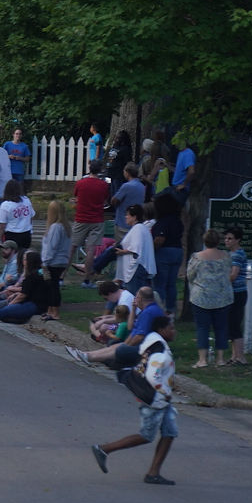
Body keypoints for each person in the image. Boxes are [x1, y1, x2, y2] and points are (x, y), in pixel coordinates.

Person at [89, 315, 180, 486]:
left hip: (159, 399)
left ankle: (153, 473)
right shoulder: (160, 352)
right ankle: (104, 449)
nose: (174, 331)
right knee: (146, 435)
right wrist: (165, 392)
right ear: (162, 330)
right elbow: (153, 377)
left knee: (170, 433)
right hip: (155, 399)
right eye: (171, 328)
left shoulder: (152, 339)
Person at [186, 229, 234, 369]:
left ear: (204, 241)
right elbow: (229, 272)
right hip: (222, 297)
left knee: (202, 327)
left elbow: (190, 275)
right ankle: (220, 359)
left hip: (201, 297)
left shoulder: (197, 257)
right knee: (221, 327)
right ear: (218, 241)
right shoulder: (226, 256)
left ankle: (202, 360)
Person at [70, 161, 112, 285]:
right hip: (97, 219)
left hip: (81, 217)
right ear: (99, 171)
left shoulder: (80, 183)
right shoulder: (103, 185)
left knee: (72, 247)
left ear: (89, 169)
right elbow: (105, 200)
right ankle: (87, 279)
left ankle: (61, 277)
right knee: (91, 250)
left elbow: (76, 197)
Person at [149, 192, 185, 312]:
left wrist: (150, 251)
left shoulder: (163, 222)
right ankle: (171, 310)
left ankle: (159, 310)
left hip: (164, 253)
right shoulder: (177, 221)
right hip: (177, 251)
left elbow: (159, 240)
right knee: (171, 284)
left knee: (160, 285)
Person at [223, 226, 250, 366]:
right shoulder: (231, 254)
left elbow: (233, 275)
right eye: (226, 238)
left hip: (237, 293)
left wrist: (220, 280)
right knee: (231, 324)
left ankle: (240, 357)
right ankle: (234, 356)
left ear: (238, 240)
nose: (227, 241)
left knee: (234, 324)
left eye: (230, 238)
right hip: (232, 293)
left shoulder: (237, 254)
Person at [0, 178, 35, 252]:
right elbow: (31, 217)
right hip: (26, 234)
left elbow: (2, 225)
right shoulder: (26, 201)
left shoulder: (5, 205)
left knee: (11, 258)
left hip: (12, 235)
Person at [4, 127, 31, 193]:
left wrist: (19, 158)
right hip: (9, 170)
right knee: (9, 189)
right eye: (16, 134)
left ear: (21, 135)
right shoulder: (7, 144)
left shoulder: (24, 146)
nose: (18, 135)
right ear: (13, 134)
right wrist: (8, 156)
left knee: (20, 190)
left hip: (19, 171)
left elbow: (28, 159)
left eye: (20, 134)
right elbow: (2, 155)